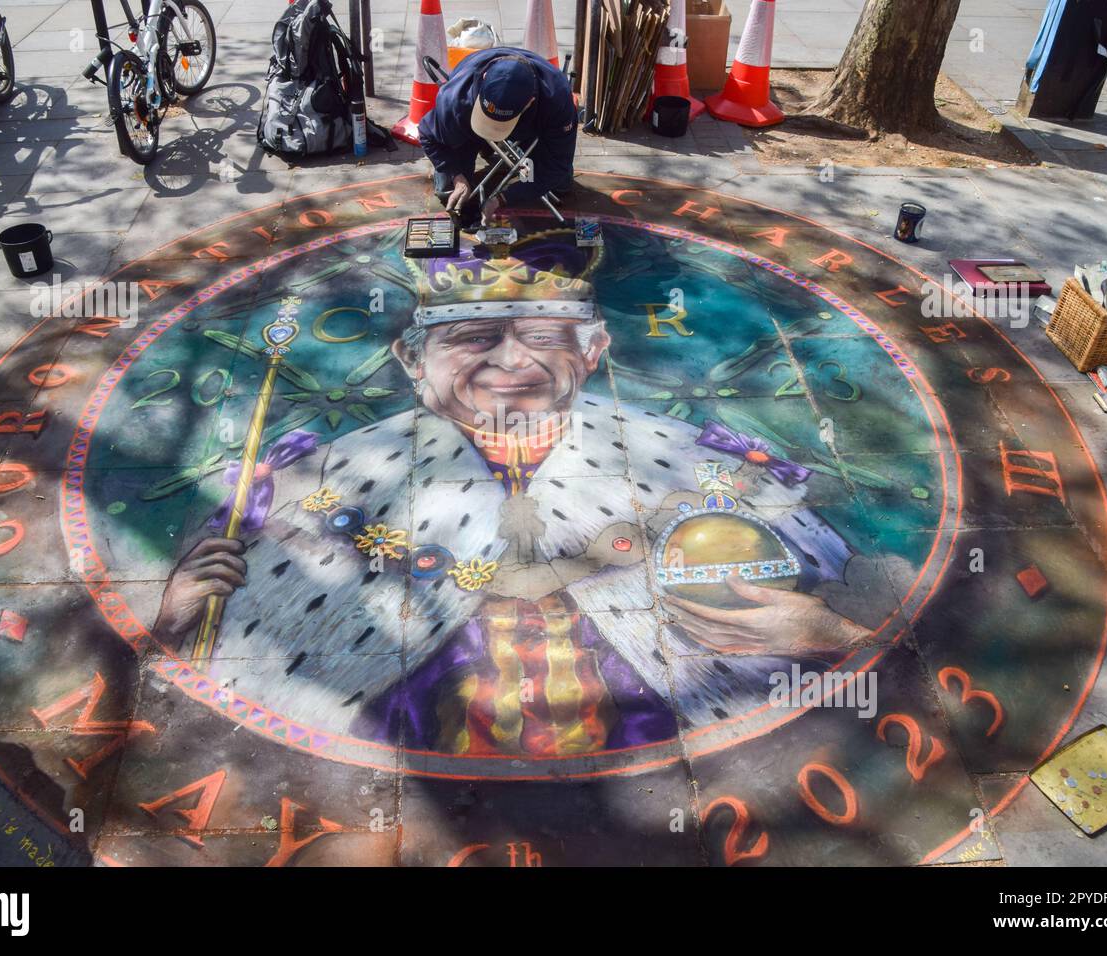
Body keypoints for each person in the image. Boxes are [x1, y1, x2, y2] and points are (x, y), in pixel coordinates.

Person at [151, 231, 873, 755]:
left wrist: (833, 637)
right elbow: (216, 656)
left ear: (592, 352)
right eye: (471, 337)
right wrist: (177, 618)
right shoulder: (310, 476)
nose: (511, 361)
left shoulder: (696, 461)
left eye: (541, 336)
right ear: (412, 360)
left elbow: (836, 619)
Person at [418, 47, 576, 225]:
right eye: (488, 118)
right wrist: (457, 177)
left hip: (531, 127)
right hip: (468, 121)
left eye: (499, 125)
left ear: (529, 102)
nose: (492, 130)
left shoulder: (557, 100)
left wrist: (504, 198)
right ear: (484, 79)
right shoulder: (456, 97)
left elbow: (557, 164)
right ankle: (481, 146)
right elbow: (427, 136)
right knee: (447, 191)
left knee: (559, 184)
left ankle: (499, 145)